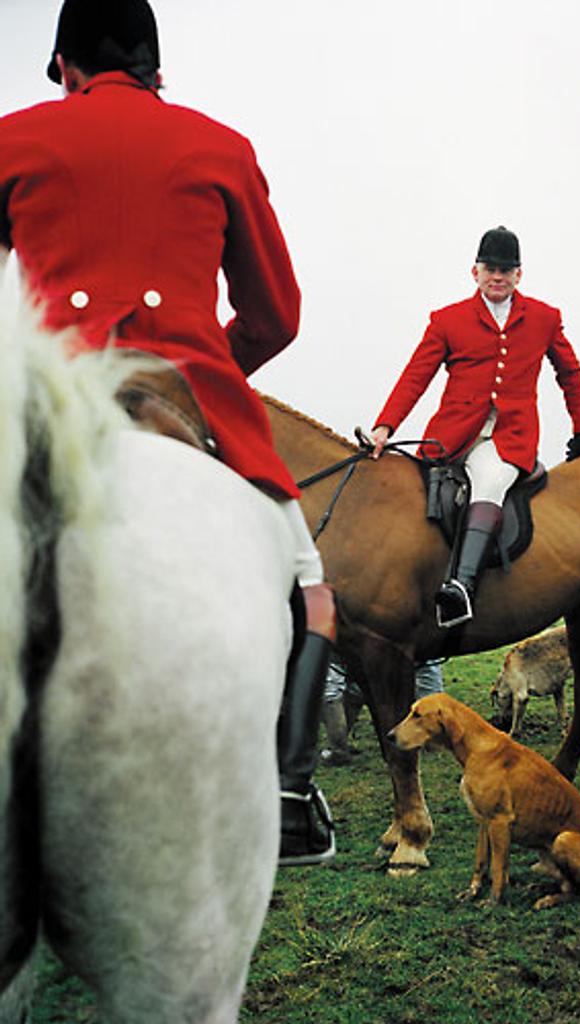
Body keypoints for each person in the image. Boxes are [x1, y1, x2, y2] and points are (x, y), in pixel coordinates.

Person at [0, 0, 334, 866]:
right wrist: (202, 372)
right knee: (311, 590)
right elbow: (276, 315)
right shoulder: (220, 146)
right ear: (156, 69)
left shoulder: (14, 139)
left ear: (66, 68)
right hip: (187, 397)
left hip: (45, 395)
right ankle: (290, 795)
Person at [369, 226, 580, 628]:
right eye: (490, 269)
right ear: (474, 271)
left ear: (519, 275)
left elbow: (571, 374)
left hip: (509, 438)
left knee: (489, 481)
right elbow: (415, 377)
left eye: (506, 270)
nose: (497, 276)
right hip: (450, 437)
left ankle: (461, 587)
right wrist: (385, 426)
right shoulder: (446, 320)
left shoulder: (544, 318)